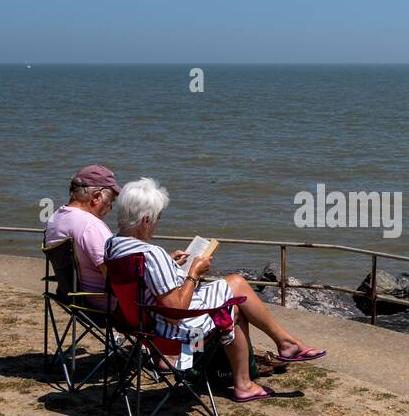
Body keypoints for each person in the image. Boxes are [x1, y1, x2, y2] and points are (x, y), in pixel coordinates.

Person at [106, 177, 326, 402]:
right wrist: (195, 272)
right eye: (157, 219)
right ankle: (250, 377)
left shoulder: (113, 245)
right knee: (235, 299)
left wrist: (170, 265)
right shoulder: (151, 254)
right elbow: (174, 313)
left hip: (140, 324)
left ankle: (282, 346)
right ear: (145, 220)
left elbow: (144, 284)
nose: (157, 224)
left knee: (234, 286)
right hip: (173, 334)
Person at [44, 165, 121, 309]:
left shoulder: (55, 219)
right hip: (106, 305)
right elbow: (115, 276)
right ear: (97, 197)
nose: (110, 207)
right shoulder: (90, 226)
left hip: (74, 299)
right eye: (111, 201)